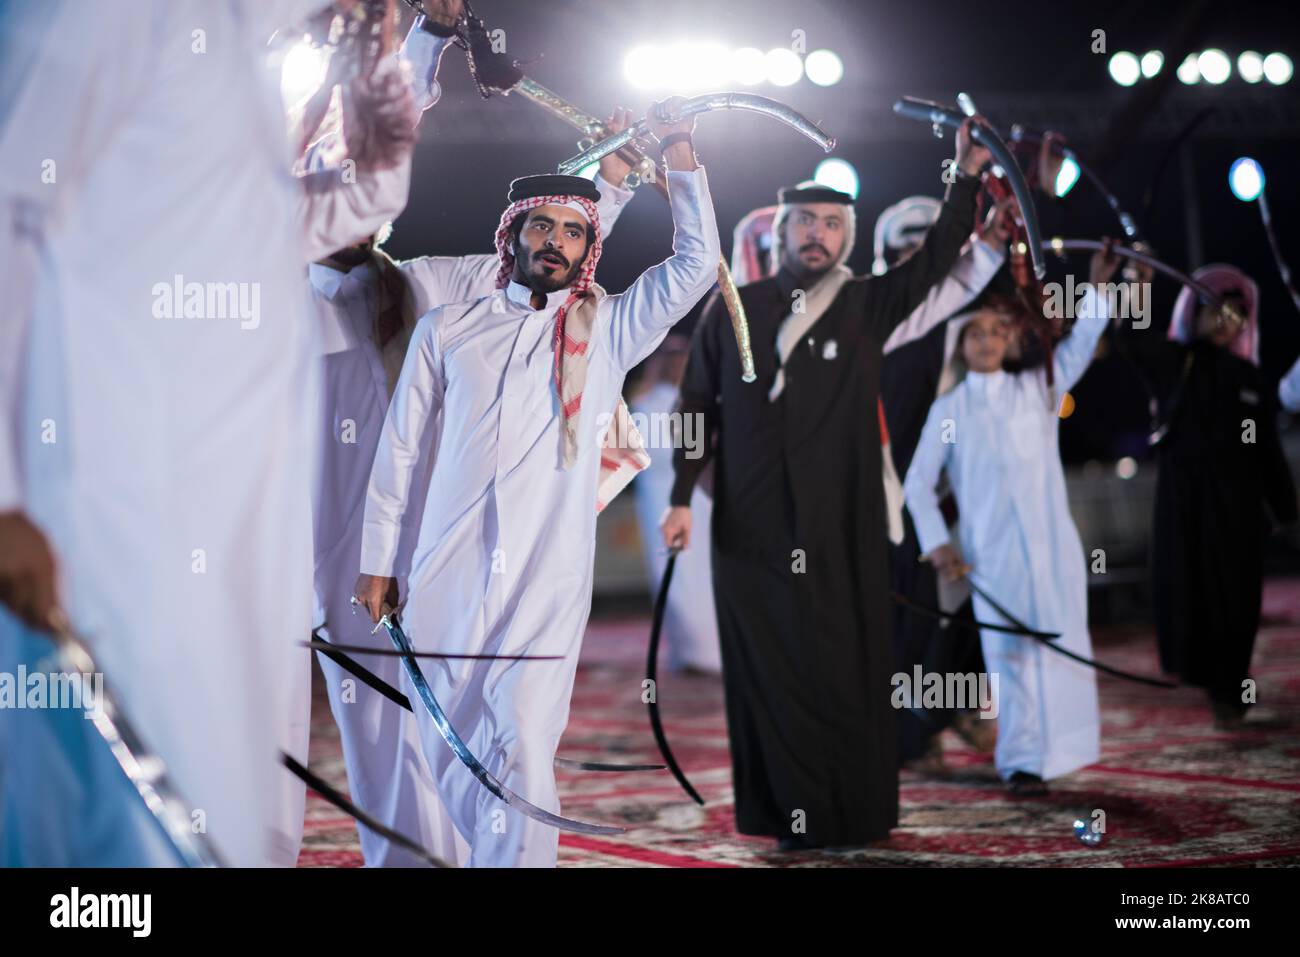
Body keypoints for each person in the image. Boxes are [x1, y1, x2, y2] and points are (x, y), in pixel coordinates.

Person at [0, 0, 409, 866]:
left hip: (244, 517)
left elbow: (361, 199)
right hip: (121, 499)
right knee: (128, 813)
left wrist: (380, 62)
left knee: (229, 790)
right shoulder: (101, 17)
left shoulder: (234, 55)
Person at [308, 10, 642, 865]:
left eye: (364, 181)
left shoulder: (428, 284)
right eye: (336, 181)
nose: (356, 195)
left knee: (465, 723)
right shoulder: (276, 293)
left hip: (438, 553)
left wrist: (617, 175)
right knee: (380, 739)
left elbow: (549, 254)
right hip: (326, 555)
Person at [352, 99, 720, 867]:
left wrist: (681, 154)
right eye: (541, 226)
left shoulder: (610, 327)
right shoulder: (447, 329)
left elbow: (693, 267)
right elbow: (399, 453)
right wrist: (379, 560)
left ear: (591, 246)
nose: (555, 242)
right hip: (444, 571)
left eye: (574, 230)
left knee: (521, 742)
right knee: (448, 743)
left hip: (545, 580)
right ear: (512, 235)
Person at [664, 120, 990, 849]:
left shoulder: (867, 304)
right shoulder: (734, 306)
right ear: (782, 231)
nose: (818, 234)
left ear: (849, 234)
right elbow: (694, 409)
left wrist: (962, 177)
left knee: (847, 670)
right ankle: (789, 818)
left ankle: (854, 814)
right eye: (805, 221)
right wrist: (682, 495)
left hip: (843, 526)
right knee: (769, 674)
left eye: (833, 223)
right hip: (748, 531)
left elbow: (939, 258)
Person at [903, 246, 1119, 795]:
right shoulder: (948, 411)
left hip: (1053, 551)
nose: (986, 341)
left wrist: (1096, 289)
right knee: (1010, 655)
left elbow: (1078, 347)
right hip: (991, 557)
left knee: (1059, 648)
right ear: (961, 344)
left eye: (995, 333)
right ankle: (1021, 762)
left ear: (1008, 339)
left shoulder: (1038, 391)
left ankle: (1062, 751)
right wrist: (939, 545)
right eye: (976, 334)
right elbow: (917, 484)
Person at [1114, 264, 1297, 728]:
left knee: (1237, 599)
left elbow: (1266, 450)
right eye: (1217, 311)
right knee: (1188, 593)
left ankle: (1231, 691)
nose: (1226, 322)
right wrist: (1134, 290)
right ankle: (1203, 677)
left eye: (1237, 315)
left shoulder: (1248, 377)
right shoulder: (1175, 363)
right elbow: (1130, 345)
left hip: (1238, 509)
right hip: (1185, 506)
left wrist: (1285, 511)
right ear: (1193, 312)